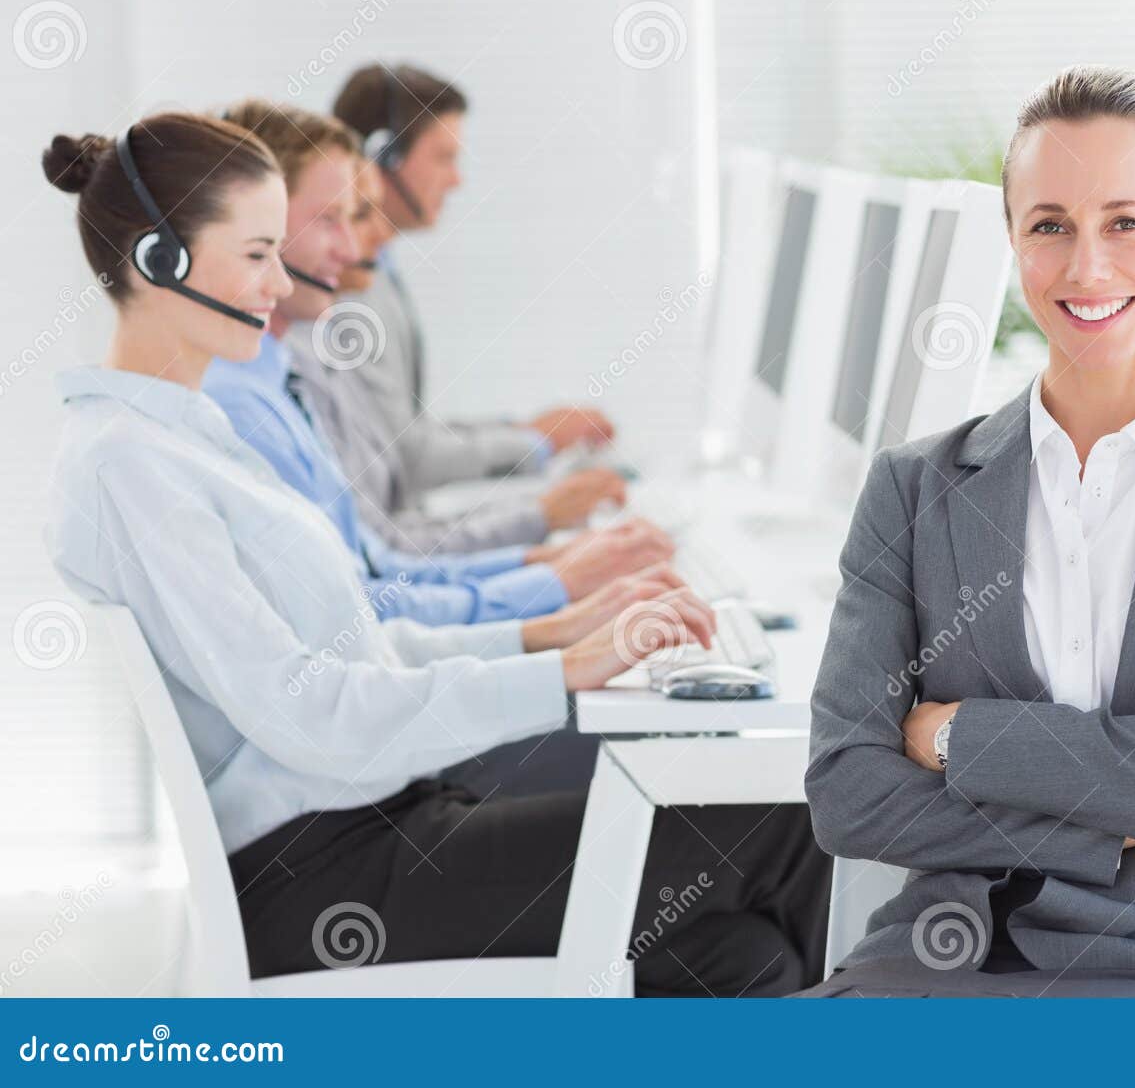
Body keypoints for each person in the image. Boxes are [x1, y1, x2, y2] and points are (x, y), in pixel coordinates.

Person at [43, 112, 831, 995]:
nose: (278, 284)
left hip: (372, 819)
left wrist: (549, 641)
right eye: (257, 252)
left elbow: (358, 645)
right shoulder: (132, 463)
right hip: (324, 876)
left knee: (743, 956)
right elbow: (312, 711)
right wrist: (564, 667)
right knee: (788, 827)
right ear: (160, 260)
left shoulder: (187, 435)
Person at [798, 66, 1135, 999]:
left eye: (1126, 223)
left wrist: (955, 737)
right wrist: (1119, 813)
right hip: (933, 959)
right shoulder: (915, 485)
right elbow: (847, 794)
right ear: (1014, 240)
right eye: (1049, 224)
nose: (1086, 267)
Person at [202, 100, 669, 630]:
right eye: (336, 217)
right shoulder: (245, 399)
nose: (356, 247)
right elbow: (357, 613)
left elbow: (372, 563)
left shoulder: (279, 375)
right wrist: (545, 590)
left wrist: (543, 569)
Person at [285, 61, 616, 535]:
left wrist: (522, 432)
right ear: (383, 158)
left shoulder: (375, 274)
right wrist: (533, 444)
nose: (457, 180)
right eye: (443, 157)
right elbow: (406, 457)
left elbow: (401, 435)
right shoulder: (343, 289)